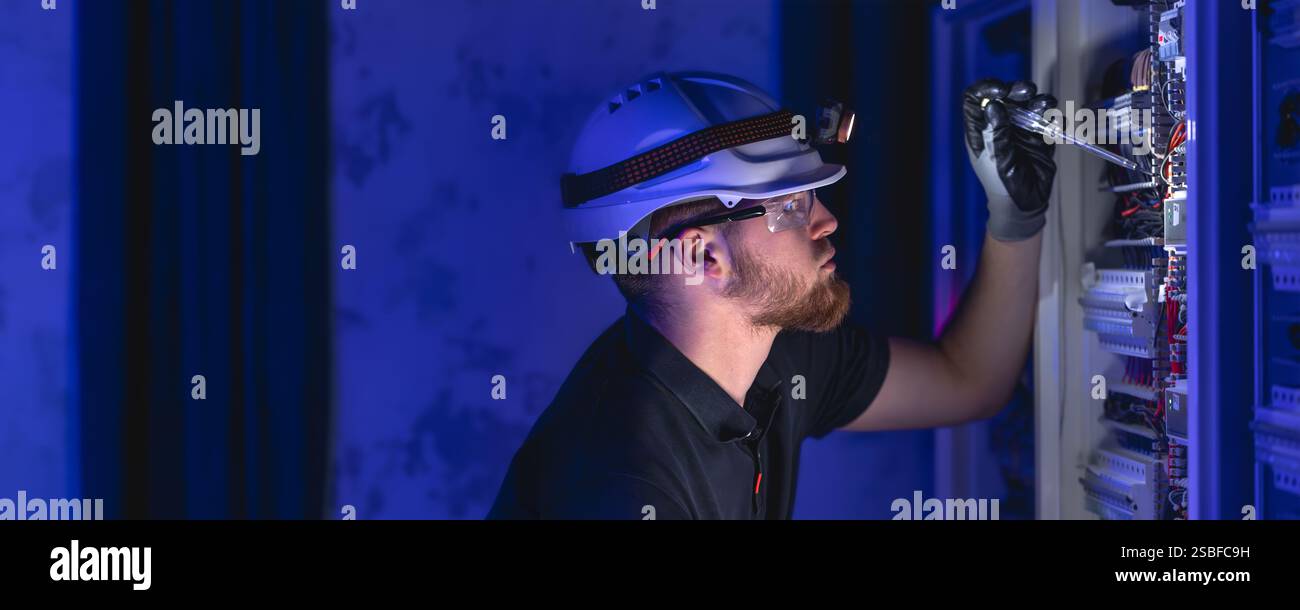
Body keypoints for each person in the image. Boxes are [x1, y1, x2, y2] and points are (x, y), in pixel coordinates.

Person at [487, 72, 1057, 519]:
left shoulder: (778, 346)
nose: (828, 221)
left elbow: (968, 382)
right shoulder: (621, 483)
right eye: (792, 205)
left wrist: (1016, 219)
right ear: (701, 256)